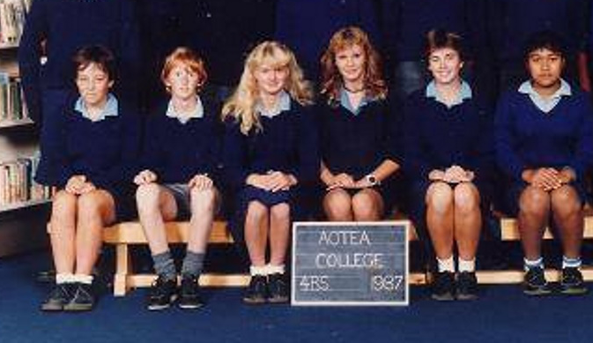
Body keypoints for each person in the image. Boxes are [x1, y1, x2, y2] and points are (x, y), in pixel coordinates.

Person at [36, 46, 141, 313]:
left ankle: (84, 282)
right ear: (75, 81)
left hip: (112, 191)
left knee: (89, 202)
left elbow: (131, 164)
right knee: (62, 202)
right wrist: (68, 179)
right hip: (75, 186)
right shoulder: (63, 112)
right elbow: (53, 156)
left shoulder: (128, 114)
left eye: (98, 78)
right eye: (83, 79)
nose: (90, 86)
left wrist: (95, 182)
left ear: (111, 81)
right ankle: (64, 282)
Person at [20, 0, 140, 159]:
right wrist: (37, 104)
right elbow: (27, 53)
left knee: (106, 170)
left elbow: (132, 55)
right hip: (59, 99)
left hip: (108, 100)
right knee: (59, 172)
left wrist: (123, 102)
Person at [494, 31, 593, 296]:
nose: (544, 66)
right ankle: (533, 267)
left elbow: (588, 148)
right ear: (526, 63)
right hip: (521, 181)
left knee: (564, 197)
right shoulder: (511, 99)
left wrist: (568, 173)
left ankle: (572, 266)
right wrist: (527, 174)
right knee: (535, 198)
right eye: (536, 59)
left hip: (567, 179)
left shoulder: (579, 99)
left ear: (563, 62)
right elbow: (501, 147)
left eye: (552, 59)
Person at [221, 41, 319, 305]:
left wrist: (290, 178)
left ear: (289, 72)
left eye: (279, 70)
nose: (273, 77)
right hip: (250, 186)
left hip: (290, 187)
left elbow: (311, 165)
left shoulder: (302, 112)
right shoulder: (237, 113)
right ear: (254, 74)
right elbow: (229, 168)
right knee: (255, 208)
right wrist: (253, 179)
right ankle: (257, 273)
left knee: (281, 209)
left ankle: (276, 272)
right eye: (265, 71)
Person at [403, 30, 494, 301]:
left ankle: (466, 271)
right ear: (428, 65)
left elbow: (490, 150)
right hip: (428, 180)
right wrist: (434, 173)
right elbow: (409, 152)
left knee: (463, 194)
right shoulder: (414, 103)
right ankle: (443, 270)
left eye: (449, 57)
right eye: (436, 59)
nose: (443, 65)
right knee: (442, 193)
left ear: (461, 62)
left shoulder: (481, 101)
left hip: (472, 178)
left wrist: (470, 173)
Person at [132, 48, 222, 310]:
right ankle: (167, 276)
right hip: (170, 194)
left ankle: (190, 277)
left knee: (202, 193)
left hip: (205, 194)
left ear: (200, 80)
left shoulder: (216, 114)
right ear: (167, 79)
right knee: (145, 192)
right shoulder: (154, 116)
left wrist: (209, 175)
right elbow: (145, 158)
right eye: (178, 73)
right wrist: (146, 172)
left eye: (191, 74)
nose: (184, 80)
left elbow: (227, 160)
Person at [316, 27, 401, 223]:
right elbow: (311, 152)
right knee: (339, 203)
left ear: (367, 57)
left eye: (356, 55)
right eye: (342, 57)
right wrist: (332, 180)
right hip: (333, 183)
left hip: (376, 183)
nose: (350, 63)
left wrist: (369, 180)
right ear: (334, 62)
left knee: (363, 203)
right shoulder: (321, 101)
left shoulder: (388, 99)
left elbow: (398, 153)